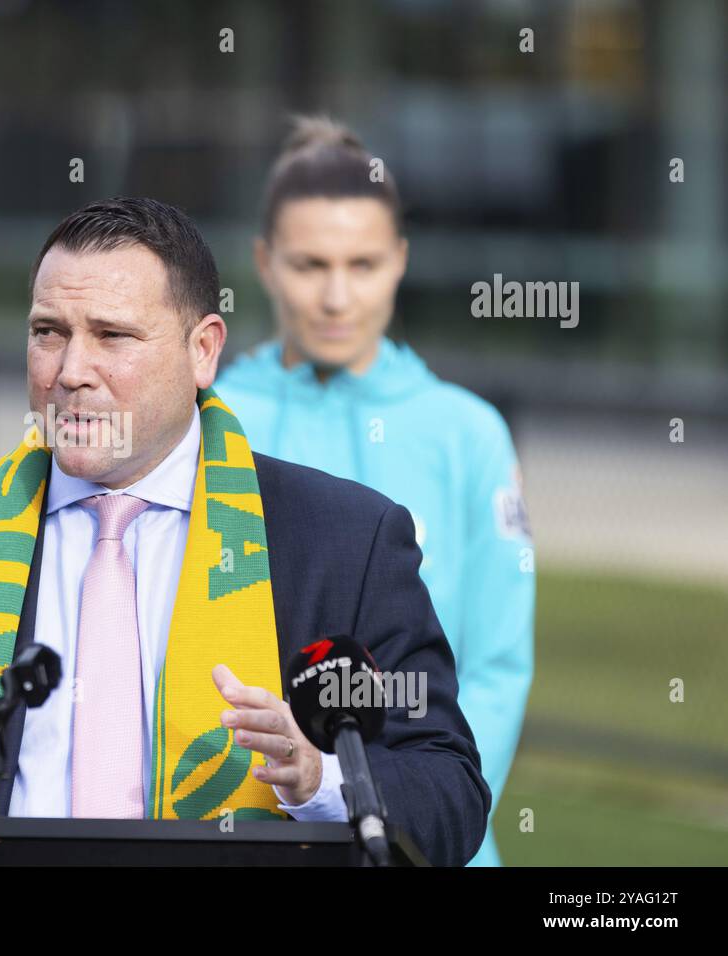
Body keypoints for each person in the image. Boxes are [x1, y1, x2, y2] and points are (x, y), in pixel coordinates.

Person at [0, 197, 491, 866]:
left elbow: (448, 798)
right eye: (47, 333)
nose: (70, 372)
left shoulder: (345, 541)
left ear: (203, 351)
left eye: (112, 336)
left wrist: (321, 781)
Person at [215, 116, 534, 866]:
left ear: (400, 261)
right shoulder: (213, 420)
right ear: (265, 263)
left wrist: (414, 813)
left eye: (362, 264)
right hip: (248, 831)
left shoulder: (469, 434)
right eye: (308, 263)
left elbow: (495, 666)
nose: (335, 296)